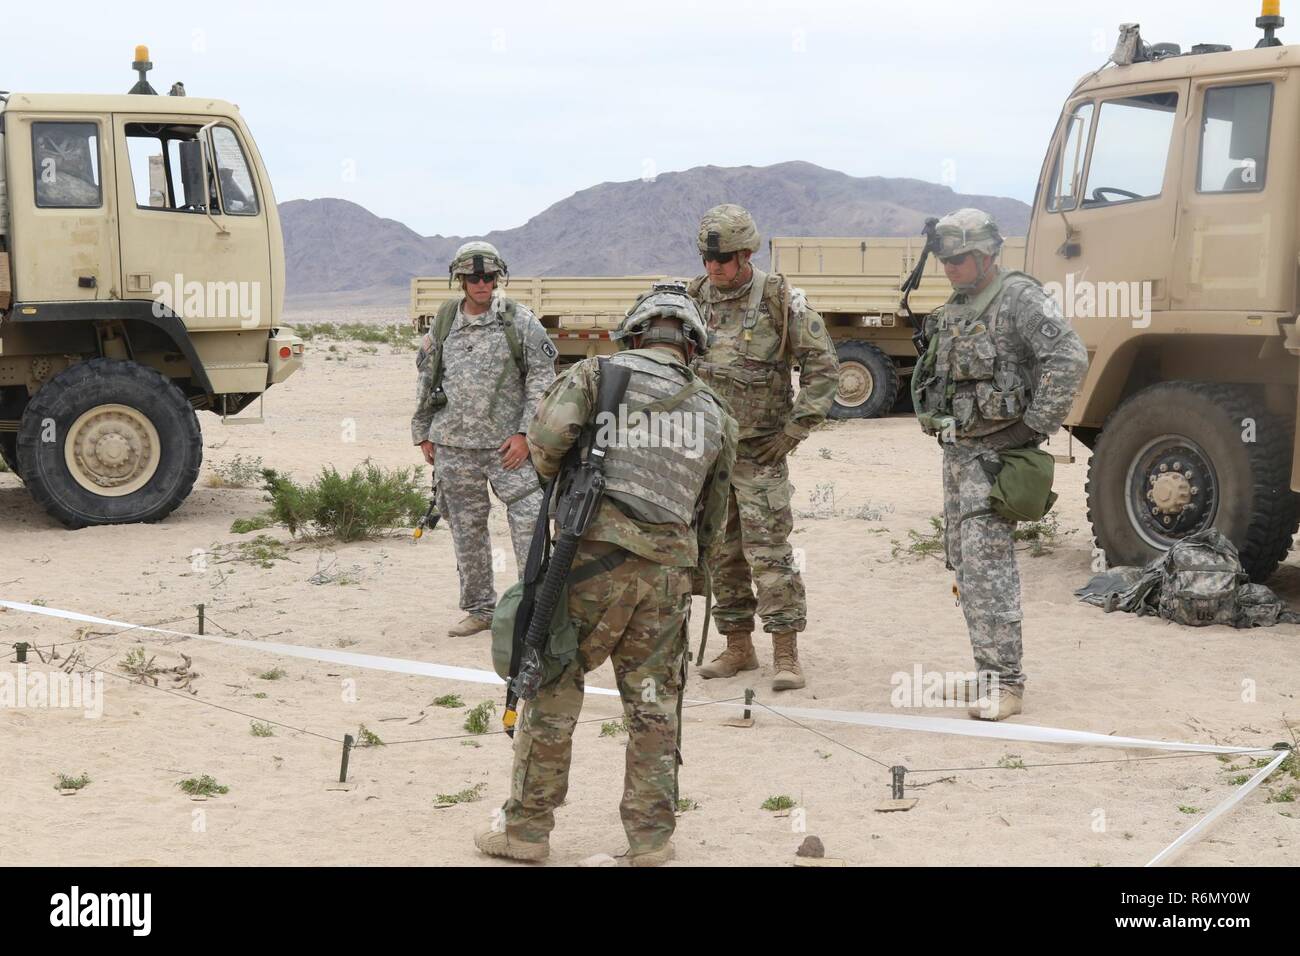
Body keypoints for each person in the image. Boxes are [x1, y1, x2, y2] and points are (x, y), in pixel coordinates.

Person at [475, 283, 737, 866]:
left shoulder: (598, 375)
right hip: (669, 575)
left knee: (553, 688)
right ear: (691, 345)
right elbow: (713, 518)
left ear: (636, 333)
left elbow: (544, 447)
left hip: (590, 561)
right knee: (653, 706)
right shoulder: (715, 411)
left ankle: (526, 832)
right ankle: (650, 840)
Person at [911, 209, 1088, 720]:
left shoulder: (1019, 298)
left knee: (990, 573)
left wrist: (1034, 426)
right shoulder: (962, 302)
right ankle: (987, 674)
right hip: (960, 455)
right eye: (945, 260)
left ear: (987, 254)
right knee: (965, 567)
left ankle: (1007, 684)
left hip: (996, 457)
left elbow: (1069, 357)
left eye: (960, 258)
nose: (950, 267)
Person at [686, 204, 839, 691]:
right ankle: (738, 646)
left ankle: (786, 653)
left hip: (759, 453)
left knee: (769, 554)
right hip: (709, 455)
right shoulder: (689, 299)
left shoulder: (779, 299)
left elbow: (823, 368)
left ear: (747, 253)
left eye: (725, 258)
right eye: (709, 257)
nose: (715, 267)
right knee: (720, 554)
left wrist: (795, 429)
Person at [411, 241, 557, 636]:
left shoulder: (518, 321)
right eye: (473, 277)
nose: (481, 284)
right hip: (453, 447)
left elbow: (543, 380)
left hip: (507, 450)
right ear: (460, 280)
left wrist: (526, 433)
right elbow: (427, 377)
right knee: (467, 529)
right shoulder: (443, 322)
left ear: (497, 278)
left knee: (530, 522)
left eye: (488, 276)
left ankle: (535, 609)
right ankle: (480, 609)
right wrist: (423, 432)